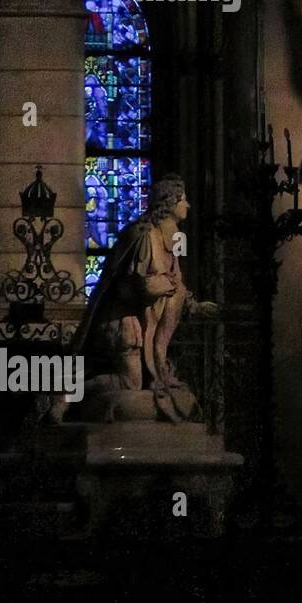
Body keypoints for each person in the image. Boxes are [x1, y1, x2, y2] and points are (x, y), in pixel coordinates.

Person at [52, 174, 217, 423]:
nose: (188, 206)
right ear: (170, 203)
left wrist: (192, 305)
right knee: (131, 382)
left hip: (146, 323)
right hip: (126, 323)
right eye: (184, 200)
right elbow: (129, 285)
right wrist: (156, 286)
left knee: (148, 383)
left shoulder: (171, 238)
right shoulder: (144, 235)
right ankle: (68, 393)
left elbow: (175, 281)